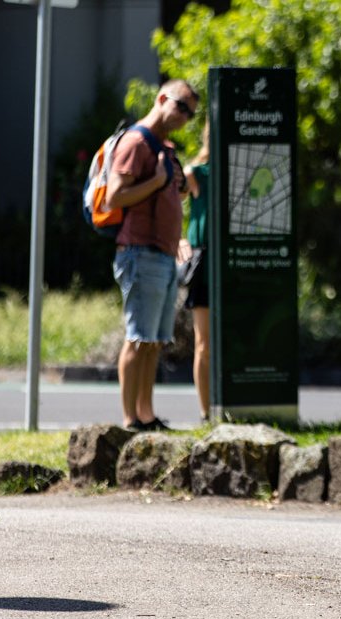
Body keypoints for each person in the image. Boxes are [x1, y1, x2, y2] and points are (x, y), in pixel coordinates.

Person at [105, 79, 199, 432]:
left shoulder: (164, 147)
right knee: (138, 337)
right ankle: (130, 419)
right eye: (181, 107)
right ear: (162, 99)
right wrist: (157, 182)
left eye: (190, 113)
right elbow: (115, 197)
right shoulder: (135, 142)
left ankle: (146, 415)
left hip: (162, 255)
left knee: (154, 342)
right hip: (139, 253)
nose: (185, 117)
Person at [181, 120, 212, 422]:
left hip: (234, 258)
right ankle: (206, 412)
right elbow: (171, 203)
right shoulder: (195, 173)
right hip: (204, 259)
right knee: (204, 341)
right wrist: (180, 239)